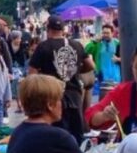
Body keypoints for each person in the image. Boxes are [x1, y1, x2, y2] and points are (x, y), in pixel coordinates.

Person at [28, 15, 94, 143]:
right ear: (63, 29)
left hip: (52, 96)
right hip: (74, 94)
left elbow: (32, 75)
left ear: (48, 29)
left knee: (57, 134)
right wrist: (76, 71)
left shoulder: (43, 47)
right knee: (76, 132)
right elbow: (91, 65)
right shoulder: (76, 44)